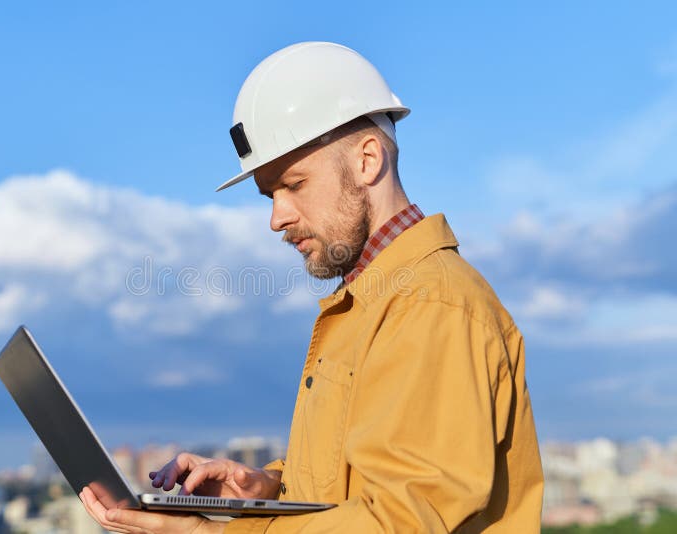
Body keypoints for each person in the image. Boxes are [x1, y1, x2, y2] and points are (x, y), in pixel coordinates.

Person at [80, 41, 544, 533]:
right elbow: (360, 489)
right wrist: (268, 490)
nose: (277, 218)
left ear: (368, 160)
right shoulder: (373, 301)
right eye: (268, 194)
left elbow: (401, 522)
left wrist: (214, 533)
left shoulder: (430, 304)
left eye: (294, 184)